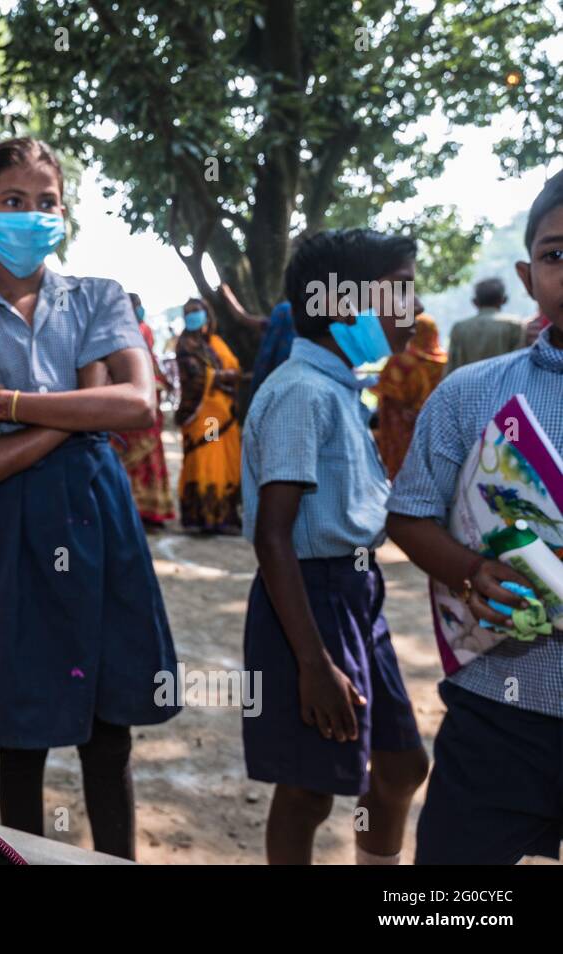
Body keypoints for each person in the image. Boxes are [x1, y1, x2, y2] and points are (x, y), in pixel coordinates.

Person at [0, 137, 178, 860]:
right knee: (21, 729)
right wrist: (74, 411)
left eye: (47, 203)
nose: (32, 216)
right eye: (12, 203)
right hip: (13, 531)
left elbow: (135, 406)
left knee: (107, 727)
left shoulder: (98, 297)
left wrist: (21, 405)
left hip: (99, 522)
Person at [387, 171, 563, 864]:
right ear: (527, 276)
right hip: (500, 711)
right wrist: (471, 571)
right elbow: (409, 515)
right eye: (556, 255)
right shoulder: (473, 394)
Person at [241, 228, 430, 865]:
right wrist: (314, 663)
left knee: (402, 765)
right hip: (309, 598)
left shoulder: (343, 387)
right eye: (400, 293)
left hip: (354, 594)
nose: (414, 310)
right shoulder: (303, 392)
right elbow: (273, 536)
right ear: (343, 304)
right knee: (308, 789)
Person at [175, 298, 243, 533]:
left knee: (221, 461)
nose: (194, 316)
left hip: (221, 413)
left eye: (197, 312)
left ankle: (222, 516)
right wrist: (222, 376)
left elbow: (232, 370)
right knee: (206, 460)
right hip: (203, 414)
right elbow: (197, 376)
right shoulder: (186, 344)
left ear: (207, 314)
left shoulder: (211, 343)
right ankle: (205, 517)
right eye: (189, 313)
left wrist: (226, 376)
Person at [113, 293, 174, 529]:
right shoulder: (116, 335)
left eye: (139, 306)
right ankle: (132, 511)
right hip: (127, 413)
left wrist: (157, 383)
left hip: (148, 412)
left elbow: (154, 369)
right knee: (130, 462)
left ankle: (151, 512)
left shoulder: (144, 331)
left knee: (149, 460)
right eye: (134, 307)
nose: (138, 311)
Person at [371, 312, 447, 478]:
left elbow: (386, 393)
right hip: (436, 428)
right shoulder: (445, 362)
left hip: (402, 433)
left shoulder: (400, 361)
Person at [444, 277, 525, 376]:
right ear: (504, 300)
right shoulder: (514, 325)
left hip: (467, 385)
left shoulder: (459, 328)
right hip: (503, 386)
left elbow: (452, 365)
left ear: (475, 302)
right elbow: (520, 363)